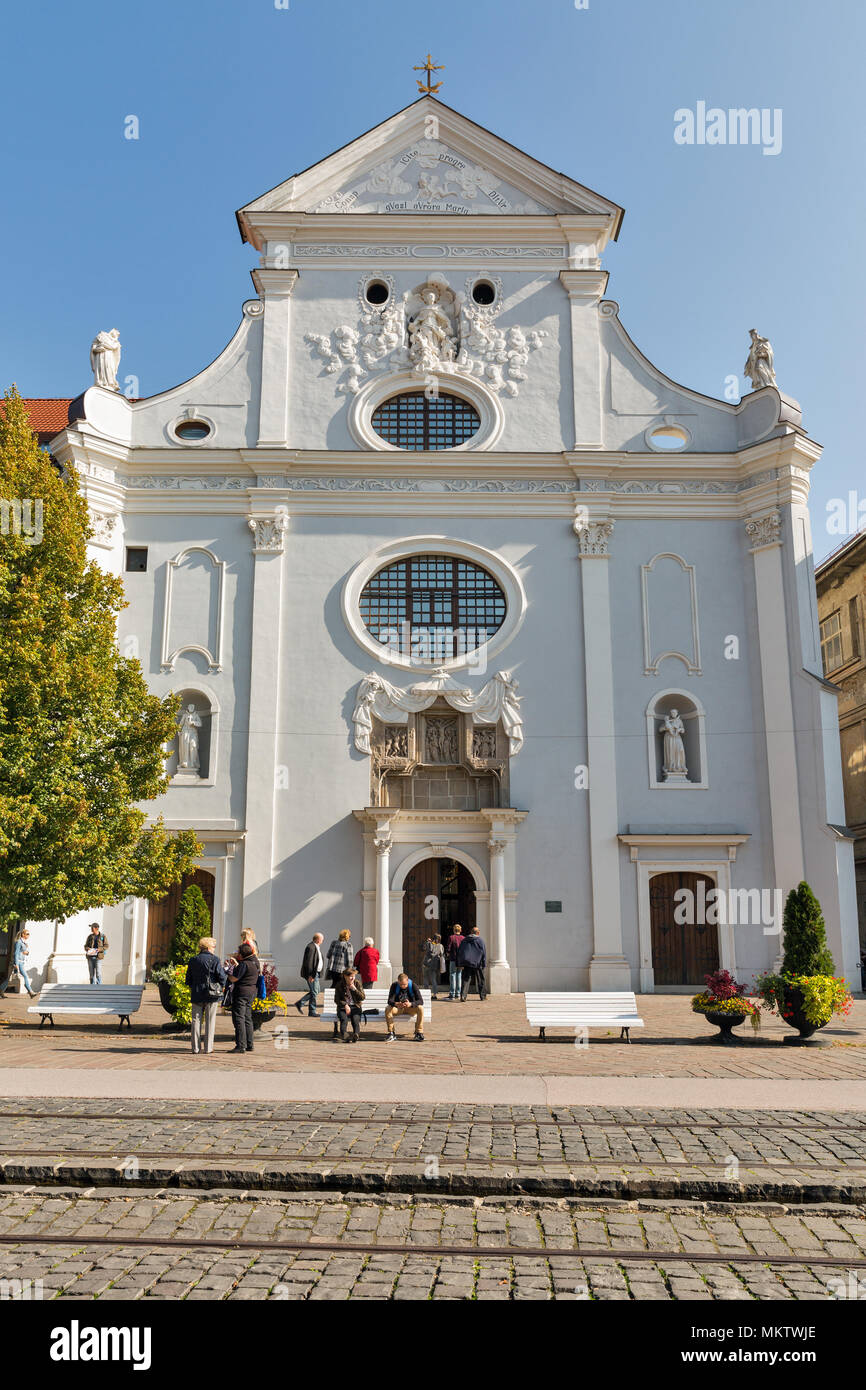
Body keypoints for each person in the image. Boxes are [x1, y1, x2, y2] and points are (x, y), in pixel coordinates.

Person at [185, 936, 227, 1055]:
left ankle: (195, 1048)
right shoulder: (215, 960)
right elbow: (221, 977)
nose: (214, 949)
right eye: (213, 946)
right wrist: (222, 986)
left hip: (197, 992)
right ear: (208, 947)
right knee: (210, 1021)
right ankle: (208, 1048)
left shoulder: (193, 959)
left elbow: (188, 979)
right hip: (211, 994)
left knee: (195, 1021)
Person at [226, 941, 260, 1054]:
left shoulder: (244, 964)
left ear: (242, 954)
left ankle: (240, 1045)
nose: (238, 954)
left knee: (239, 1019)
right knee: (247, 1018)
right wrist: (237, 965)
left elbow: (234, 979)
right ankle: (250, 1044)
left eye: (239, 953)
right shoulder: (255, 962)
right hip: (251, 992)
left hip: (241, 993)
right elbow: (246, 973)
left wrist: (227, 971)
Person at [385, 973, 425, 1042]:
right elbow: (389, 1000)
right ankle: (391, 1033)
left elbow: (420, 1001)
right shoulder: (394, 985)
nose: (402, 986)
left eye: (404, 984)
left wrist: (411, 1004)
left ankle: (419, 1032)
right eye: (400, 984)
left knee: (420, 1008)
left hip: (410, 1008)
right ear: (398, 981)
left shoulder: (413, 986)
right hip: (398, 1009)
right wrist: (396, 1003)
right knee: (388, 1008)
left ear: (407, 981)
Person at [0, 929, 36, 998]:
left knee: (9, 978)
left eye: (29, 934)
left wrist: (27, 952)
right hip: (18, 962)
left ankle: (1, 991)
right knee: (25, 976)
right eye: (27, 934)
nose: (28, 935)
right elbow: (16, 953)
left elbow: (25, 952)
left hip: (21, 962)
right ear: (23, 934)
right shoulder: (19, 942)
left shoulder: (24, 943)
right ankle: (30, 992)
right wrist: (16, 964)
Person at [334, 967, 365, 1043]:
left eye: (353, 976)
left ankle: (356, 1035)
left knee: (355, 1019)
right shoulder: (339, 985)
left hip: (355, 1006)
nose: (352, 978)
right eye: (350, 976)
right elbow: (336, 999)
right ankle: (345, 1035)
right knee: (343, 1019)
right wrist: (345, 1005)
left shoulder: (357, 983)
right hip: (342, 1007)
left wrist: (354, 989)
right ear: (345, 976)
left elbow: (362, 997)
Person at [296, 933, 324, 1017]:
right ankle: (312, 1011)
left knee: (316, 991)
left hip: (316, 973)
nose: (322, 941)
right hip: (312, 974)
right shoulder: (311, 947)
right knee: (314, 991)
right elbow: (308, 963)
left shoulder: (316, 947)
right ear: (318, 939)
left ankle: (300, 1003)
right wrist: (310, 975)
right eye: (322, 939)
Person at [458, 927, 487, 1001]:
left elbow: (460, 951)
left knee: (465, 979)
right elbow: (483, 952)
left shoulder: (464, 940)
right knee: (480, 979)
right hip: (478, 962)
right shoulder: (480, 940)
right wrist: (484, 963)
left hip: (467, 962)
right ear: (478, 933)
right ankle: (483, 996)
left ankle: (463, 996)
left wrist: (460, 962)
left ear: (471, 932)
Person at [445, 924, 464, 1000]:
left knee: (452, 975)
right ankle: (458, 993)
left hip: (453, 959)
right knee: (459, 975)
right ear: (460, 930)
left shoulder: (451, 937)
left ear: (453, 930)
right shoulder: (463, 938)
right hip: (461, 960)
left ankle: (452, 994)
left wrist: (447, 954)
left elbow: (448, 948)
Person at [422, 936, 445, 1000]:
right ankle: (434, 995)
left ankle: (426, 994)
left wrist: (427, 942)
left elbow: (423, 948)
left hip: (426, 964)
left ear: (433, 938)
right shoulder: (440, 946)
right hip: (434, 965)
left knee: (425, 979)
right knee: (433, 980)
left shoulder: (429, 944)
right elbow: (442, 954)